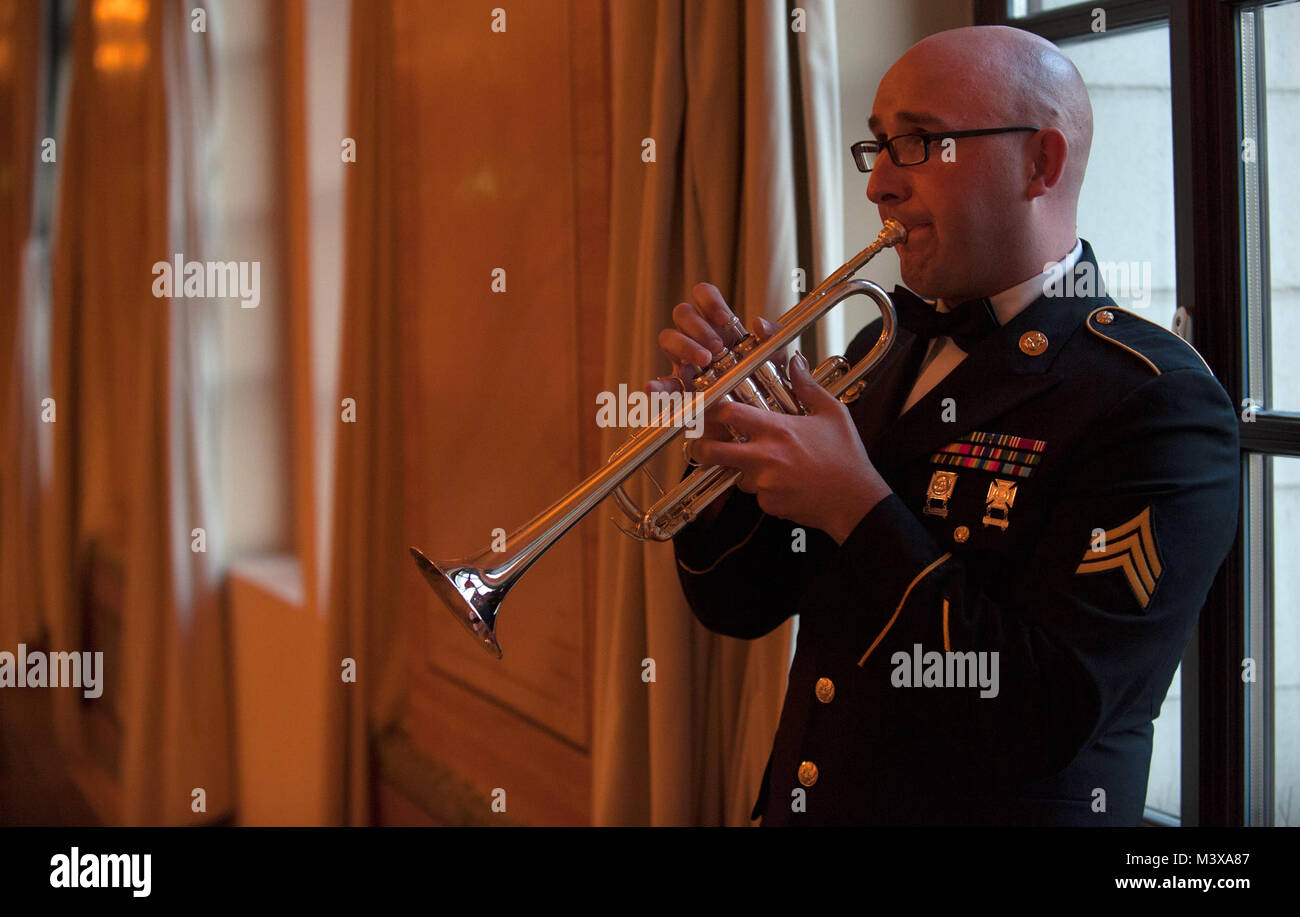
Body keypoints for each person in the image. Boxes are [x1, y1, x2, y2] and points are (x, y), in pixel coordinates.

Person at [647, 25, 1239, 826]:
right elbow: (739, 604)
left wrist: (855, 505)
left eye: (920, 142)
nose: (879, 185)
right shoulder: (881, 346)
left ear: (1042, 163)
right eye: (879, 145)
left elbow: (1041, 712)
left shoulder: (1156, 401)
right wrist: (729, 452)